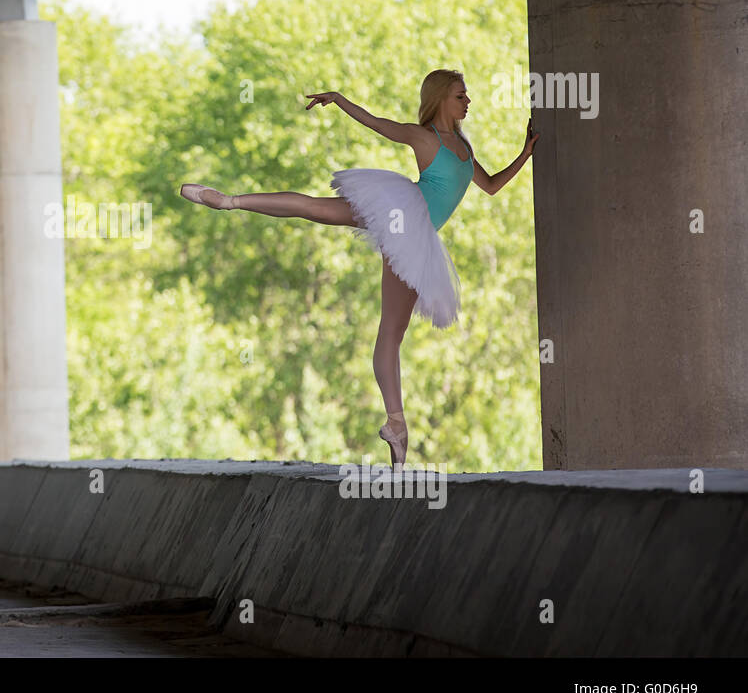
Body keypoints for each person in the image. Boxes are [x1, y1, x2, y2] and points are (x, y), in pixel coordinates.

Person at [179, 69, 539, 467]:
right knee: (381, 315)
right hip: (405, 218)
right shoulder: (425, 138)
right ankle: (229, 200)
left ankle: (232, 201)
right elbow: (378, 124)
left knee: (389, 323)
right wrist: (340, 98)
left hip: (412, 228)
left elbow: (490, 186)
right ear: (440, 99)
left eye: (467, 96)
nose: (468, 101)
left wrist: (524, 154)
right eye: (461, 96)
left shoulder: (465, 149)